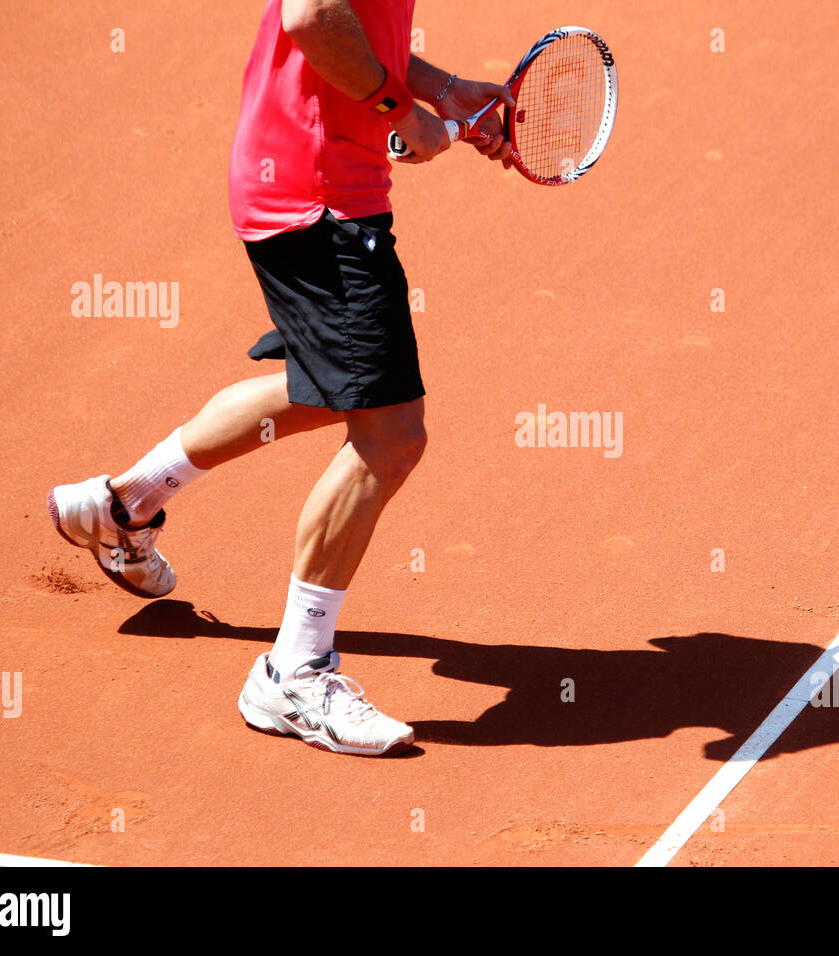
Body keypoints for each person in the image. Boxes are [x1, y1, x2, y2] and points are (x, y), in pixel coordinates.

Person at [47, 0, 512, 756]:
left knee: (330, 384)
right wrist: (401, 109)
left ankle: (123, 505)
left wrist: (441, 88)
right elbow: (311, 14)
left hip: (316, 182)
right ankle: (294, 673)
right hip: (316, 197)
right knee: (391, 433)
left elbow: (357, 21)